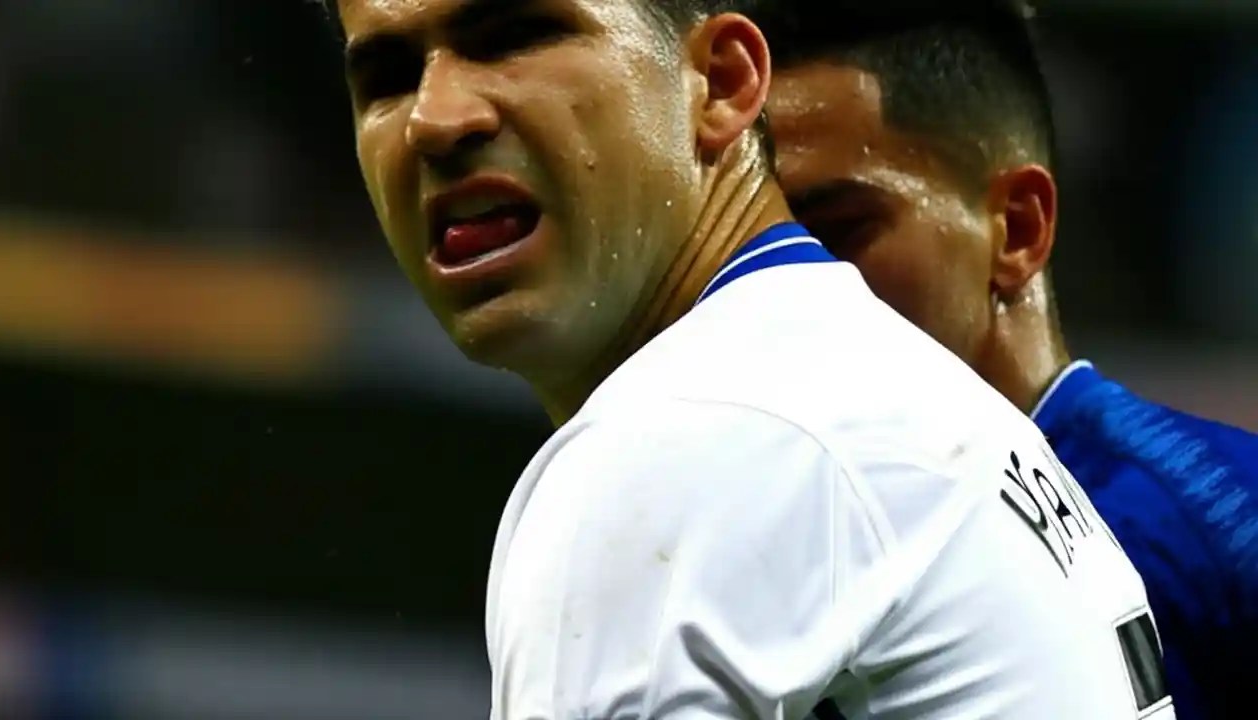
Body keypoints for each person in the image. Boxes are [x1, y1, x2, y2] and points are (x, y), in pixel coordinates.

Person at [325, 0, 1173, 717]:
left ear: (722, 84)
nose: (435, 118)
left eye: (513, 35)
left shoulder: (696, 436)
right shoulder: (859, 389)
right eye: (388, 76)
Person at [755, 2, 1258, 718]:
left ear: (1018, 228)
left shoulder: (1226, 525)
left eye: (836, 231)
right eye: (748, 248)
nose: (775, 283)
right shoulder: (741, 560)